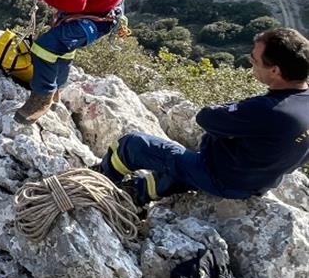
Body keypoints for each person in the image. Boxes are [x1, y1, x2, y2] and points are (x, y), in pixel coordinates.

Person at [94, 28, 309, 206]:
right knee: (179, 166)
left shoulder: (267, 110)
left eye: (254, 61)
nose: (251, 63)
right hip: (258, 182)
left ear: (275, 71)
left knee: (132, 144)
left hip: (219, 176)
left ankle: (101, 179)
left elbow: (206, 117)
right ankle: (137, 193)